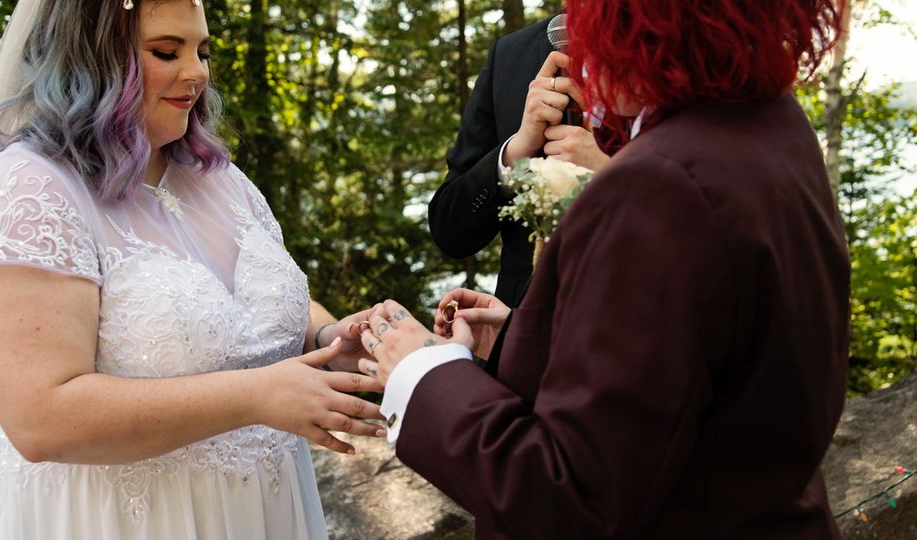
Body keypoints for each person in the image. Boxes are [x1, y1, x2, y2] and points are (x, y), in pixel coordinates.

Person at [355, 0, 851, 538]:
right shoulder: (778, 123)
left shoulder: (656, 184)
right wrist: (526, 335)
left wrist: (421, 372)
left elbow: (571, 499)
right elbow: (690, 357)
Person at [0, 0, 384, 537]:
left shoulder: (221, 182)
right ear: (92, 58)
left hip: (263, 514)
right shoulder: (25, 192)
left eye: (202, 51)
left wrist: (325, 335)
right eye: (166, 51)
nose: (197, 73)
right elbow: (41, 418)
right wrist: (255, 395)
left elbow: (244, 308)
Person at [428, 15, 607, 307]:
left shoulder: (671, 51)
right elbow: (450, 231)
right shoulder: (509, 56)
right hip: (519, 326)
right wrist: (515, 152)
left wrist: (610, 170)